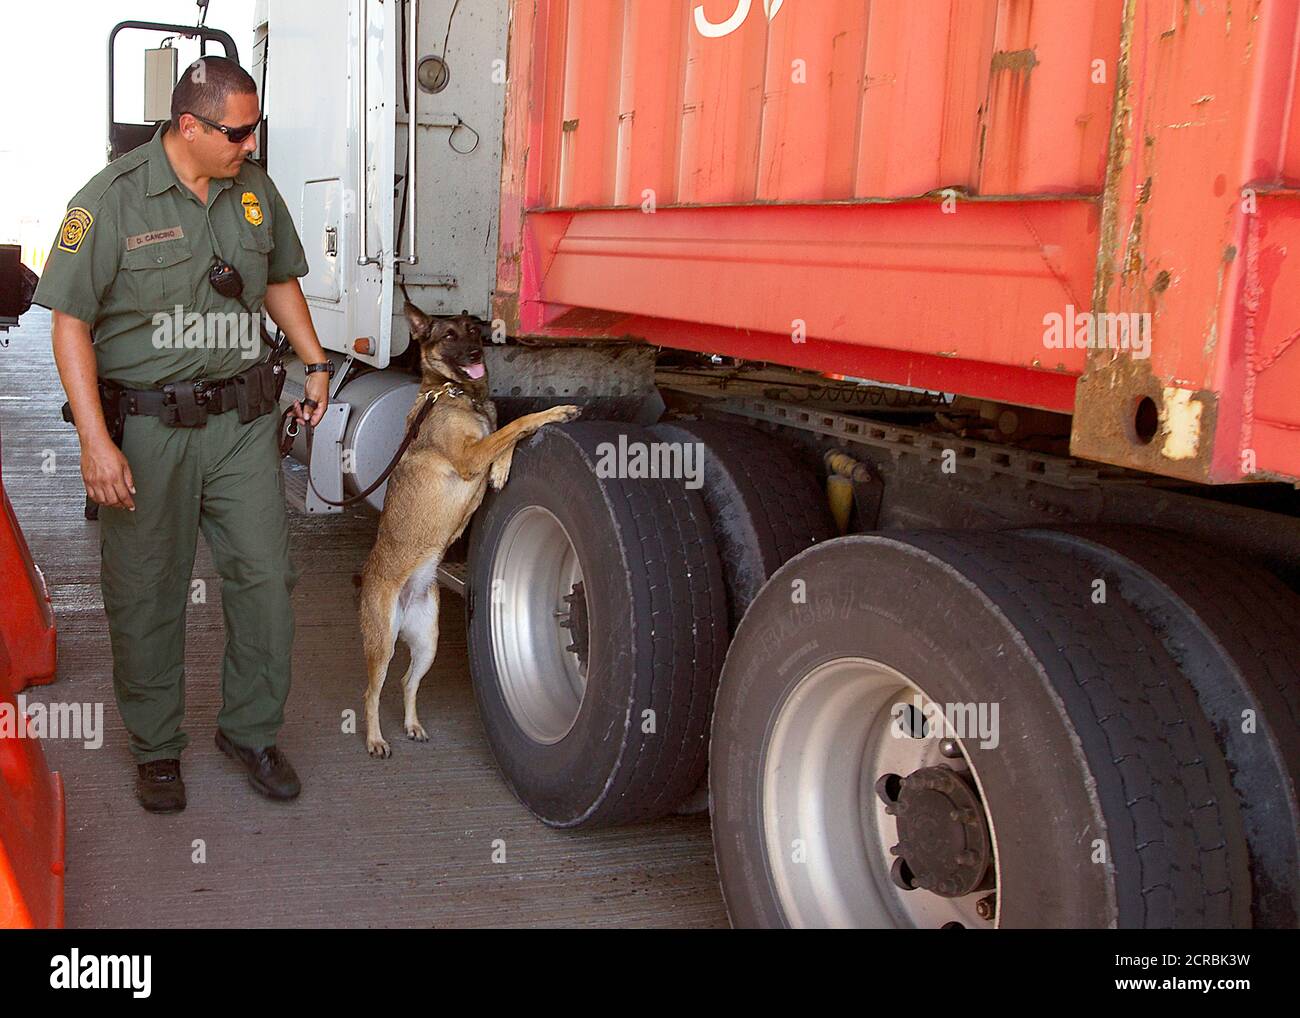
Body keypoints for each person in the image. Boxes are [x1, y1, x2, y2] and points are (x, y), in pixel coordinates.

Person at [33, 56, 334, 813]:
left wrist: (314, 360)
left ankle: (251, 730)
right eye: (238, 131)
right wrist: (94, 443)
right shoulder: (108, 202)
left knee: (266, 580)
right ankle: (157, 747)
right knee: (147, 593)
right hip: (147, 430)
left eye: (255, 126)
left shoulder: (253, 189)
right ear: (190, 126)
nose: (251, 143)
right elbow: (70, 325)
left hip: (242, 423)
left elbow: (277, 279)